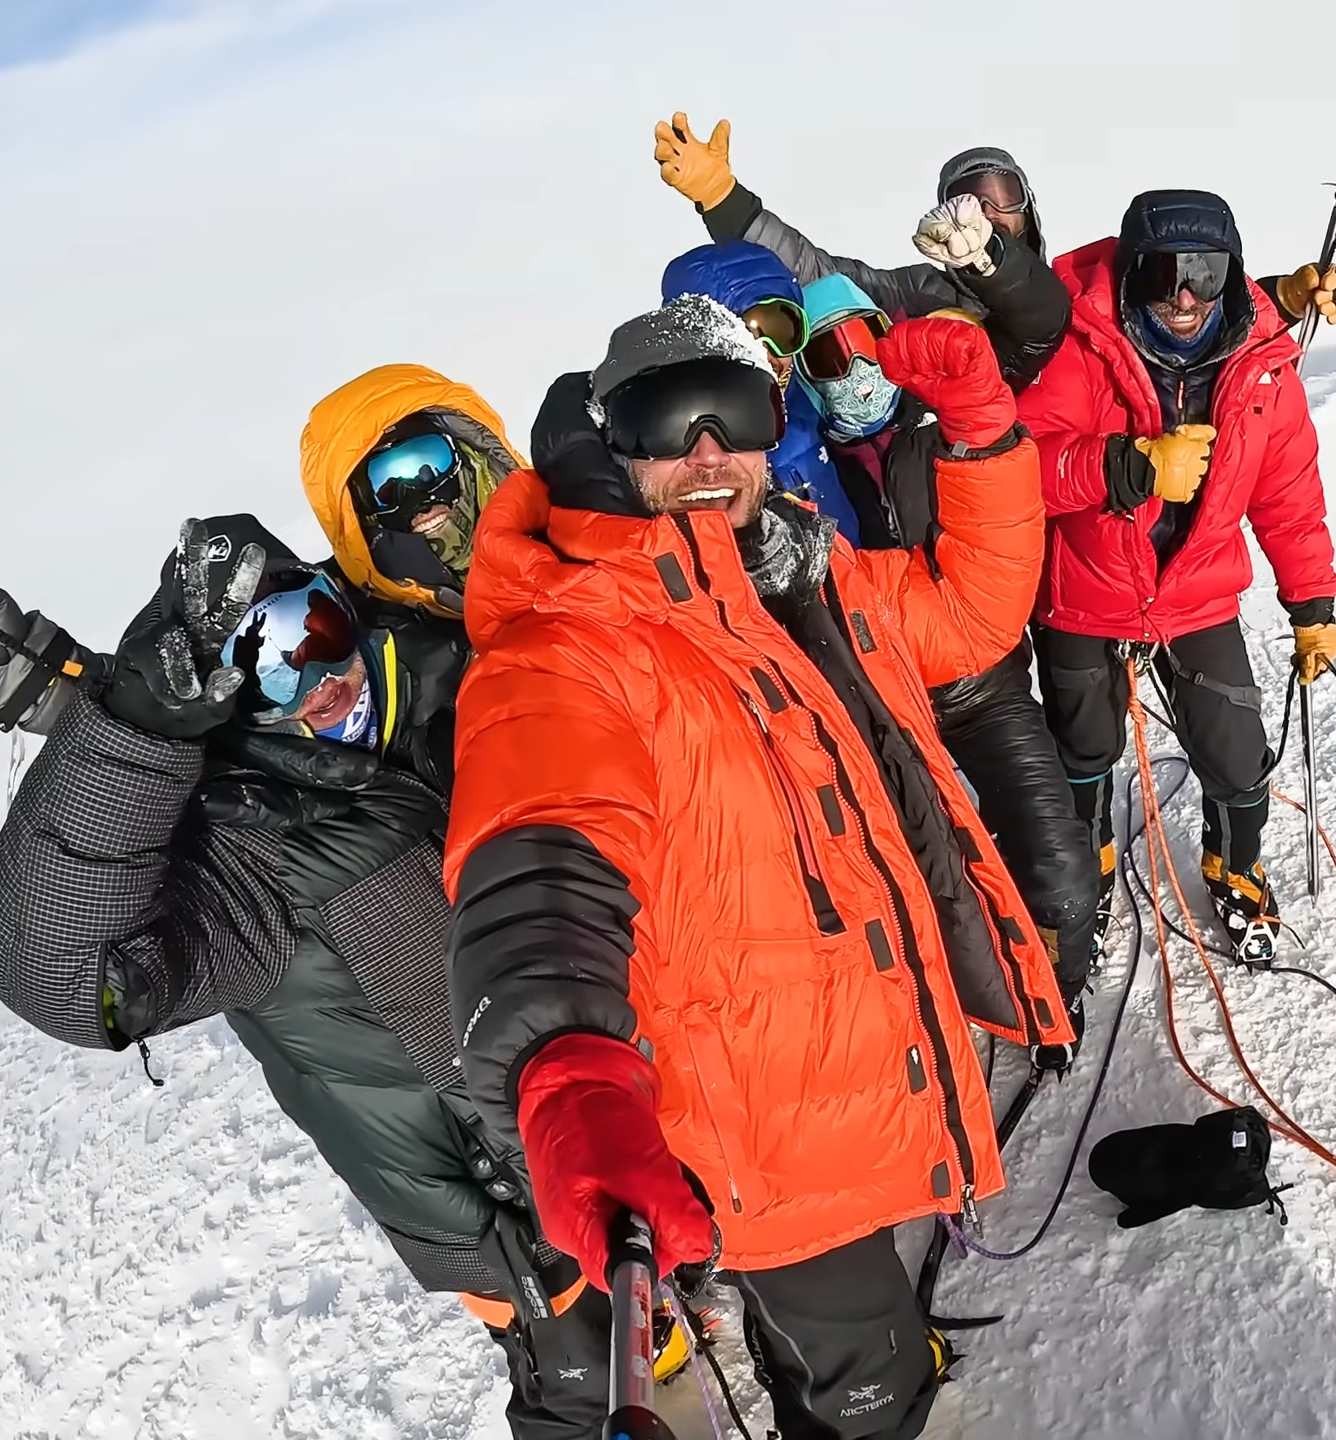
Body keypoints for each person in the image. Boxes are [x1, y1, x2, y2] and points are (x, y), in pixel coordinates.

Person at [0, 367, 663, 1440]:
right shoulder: (246, 855)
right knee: (582, 1386)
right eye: (262, 666)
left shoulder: (447, 672)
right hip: (503, 1226)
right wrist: (124, 724)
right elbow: (69, 979)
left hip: (629, 1114)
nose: (312, 674)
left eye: (312, 623)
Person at [445, 295, 1068, 1440]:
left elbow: (975, 618)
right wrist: (566, 1072)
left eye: (730, 411)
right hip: (762, 1130)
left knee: (847, 1330)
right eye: (665, 418)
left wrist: (980, 430)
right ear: (608, 439)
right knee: (863, 1379)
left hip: (867, 1069)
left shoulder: (801, 576)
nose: (703, 453)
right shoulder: (567, 642)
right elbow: (542, 865)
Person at [1017, 189, 1336, 968]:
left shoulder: (1260, 369)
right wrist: (1122, 469)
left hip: (1196, 594)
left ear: (1233, 275)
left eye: (1204, 270)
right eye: (1164, 273)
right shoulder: (1075, 344)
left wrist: (1312, 604)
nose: (1185, 294)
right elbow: (1014, 468)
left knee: (1237, 752)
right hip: (1086, 593)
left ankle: (1234, 868)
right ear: (1131, 274)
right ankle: (1087, 871)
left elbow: (1289, 496)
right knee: (1082, 753)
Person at [793, 272, 1100, 1043]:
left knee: (1059, 873)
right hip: (879, 707)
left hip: (981, 686)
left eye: (864, 344)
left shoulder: (944, 430)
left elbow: (1033, 332)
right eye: (825, 358)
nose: (852, 371)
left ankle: (1058, 987)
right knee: (917, 890)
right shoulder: (796, 471)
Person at [653, 114, 1071, 389]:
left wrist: (989, 258)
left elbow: (1039, 316)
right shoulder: (922, 294)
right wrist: (724, 200)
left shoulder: (1068, 303)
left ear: (1028, 207)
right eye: (966, 201)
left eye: (1001, 196)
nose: (984, 215)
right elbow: (820, 278)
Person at [659, 240, 857, 530]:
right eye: (739, 338)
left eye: (780, 330)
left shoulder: (816, 406)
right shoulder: (667, 445)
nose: (765, 354)